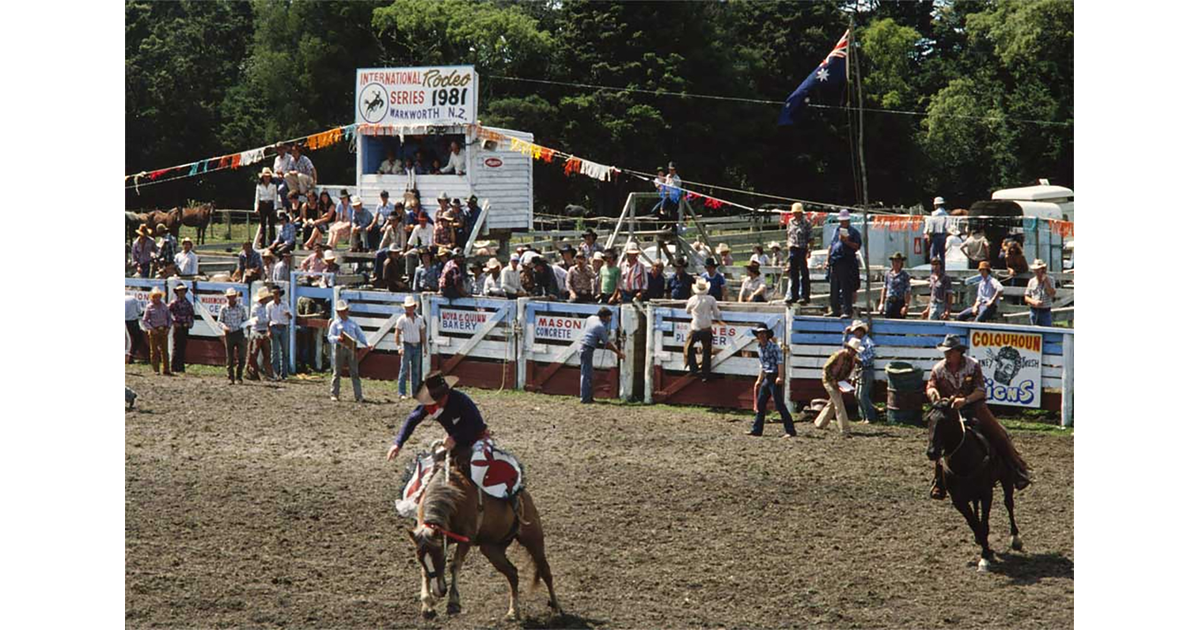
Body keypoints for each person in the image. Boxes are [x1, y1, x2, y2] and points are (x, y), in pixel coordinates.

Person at [926, 334, 1033, 499]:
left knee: (998, 433)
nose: (947, 355)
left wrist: (965, 400)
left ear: (958, 352)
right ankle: (939, 480)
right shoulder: (938, 369)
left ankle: (1016, 469)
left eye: (950, 351)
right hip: (950, 410)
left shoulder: (972, 365)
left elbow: (980, 390)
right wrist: (934, 394)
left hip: (974, 407)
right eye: (946, 352)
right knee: (938, 436)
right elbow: (931, 386)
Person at [385, 372, 489, 464]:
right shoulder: (431, 404)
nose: (438, 404)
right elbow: (413, 419)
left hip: (476, 439)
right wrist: (398, 443)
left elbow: (476, 426)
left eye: (440, 399)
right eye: (435, 400)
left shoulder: (462, 401)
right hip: (453, 443)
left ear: (446, 393)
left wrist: (455, 438)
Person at [746, 323, 796, 438]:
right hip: (767, 377)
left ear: (767, 335)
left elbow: (780, 362)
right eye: (760, 334)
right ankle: (757, 430)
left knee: (779, 404)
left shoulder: (774, 347)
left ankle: (790, 430)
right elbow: (763, 365)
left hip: (774, 376)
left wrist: (780, 376)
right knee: (760, 403)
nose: (762, 336)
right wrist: (759, 380)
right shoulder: (759, 348)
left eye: (764, 333)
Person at [812, 339, 859, 438]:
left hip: (839, 381)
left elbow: (848, 373)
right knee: (838, 403)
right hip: (828, 380)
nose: (853, 353)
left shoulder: (853, 360)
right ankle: (844, 429)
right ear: (848, 348)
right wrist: (833, 380)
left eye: (855, 351)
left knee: (833, 402)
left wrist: (842, 383)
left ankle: (819, 423)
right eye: (852, 350)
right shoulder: (838, 355)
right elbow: (826, 368)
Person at [578, 307, 625, 404]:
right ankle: (585, 398)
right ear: (604, 317)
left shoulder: (591, 318)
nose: (609, 319)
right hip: (587, 348)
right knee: (587, 373)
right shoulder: (600, 327)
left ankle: (586, 397)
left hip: (582, 345)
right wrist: (619, 353)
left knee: (586, 372)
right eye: (608, 317)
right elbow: (607, 343)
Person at [328, 300, 371, 402]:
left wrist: (367, 344)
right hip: (340, 347)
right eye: (340, 311)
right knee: (337, 371)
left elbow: (360, 334)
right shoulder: (335, 324)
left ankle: (358, 395)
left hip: (351, 348)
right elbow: (330, 337)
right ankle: (334, 393)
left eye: (344, 310)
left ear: (347, 311)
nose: (342, 313)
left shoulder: (353, 323)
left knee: (354, 372)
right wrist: (337, 338)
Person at [684, 278, 722, 381]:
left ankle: (693, 368)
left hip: (696, 328)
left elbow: (687, 311)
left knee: (688, 347)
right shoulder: (711, 299)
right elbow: (716, 313)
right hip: (707, 328)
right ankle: (705, 373)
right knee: (707, 351)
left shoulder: (692, 299)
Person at [827, 209, 862, 318]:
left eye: (844, 220)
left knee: (846, 286)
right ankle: (835, 309)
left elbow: (857, 246)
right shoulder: (836, 230)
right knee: (834, 286)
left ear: (848, 220)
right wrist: (828, 259)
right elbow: (832, 245)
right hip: (835, 260)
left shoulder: (854, 232)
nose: (843, 223)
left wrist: (847, 242)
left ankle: (847, 310)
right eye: (841, 221)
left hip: (846, 260)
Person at [843, 320, 879, 424]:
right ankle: (864, 417)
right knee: (857, 394)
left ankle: (870, 417)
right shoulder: (856, 341)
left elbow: (871, 357)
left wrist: (860, 361)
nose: (854, 333)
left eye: (856, 331)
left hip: (866, 370)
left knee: (862, 395)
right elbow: (846, 346)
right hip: (860, 370)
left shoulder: (868, 342)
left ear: (861, 331)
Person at [394, 295, 426, 400]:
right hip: (406, 345)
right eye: (407, 307)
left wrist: (424, 346)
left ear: (414, 307)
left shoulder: (420, 319)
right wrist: (399, 346)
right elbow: (397, 333)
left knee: (416, 370)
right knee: (404, 369)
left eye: (410, 307)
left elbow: (422, 333)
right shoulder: (402, 320)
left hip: (417, 345)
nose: (409, 309)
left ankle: (415, 392)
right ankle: (401, 392)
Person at [218, 287, 248, 384]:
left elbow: (245, 320)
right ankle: (231, 377)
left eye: (233, 296)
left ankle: (239, 376)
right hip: (229, 333)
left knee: (241, 356)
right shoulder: (224, 309)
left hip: (239, 332)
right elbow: (219, 321)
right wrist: (224, 327)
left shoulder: (241, 308)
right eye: (230, 297)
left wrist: (245, 326)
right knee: (230, 356)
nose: (231, 298)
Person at [245, 287, 275, 382]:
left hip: (263, 331)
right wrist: (266, 320)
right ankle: (253, 372)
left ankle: (268, 374)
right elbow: (258, 320)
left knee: (266, 354)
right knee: (254, 354)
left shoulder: (266, 307)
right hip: (257, 332)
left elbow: (264, 319)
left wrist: (265, 321)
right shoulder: (256, 308)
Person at [141, 287, 173, 376]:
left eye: (159, 296)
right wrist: (151, 329)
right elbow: (145, 320)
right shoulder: (149, 307)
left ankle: (166, 369)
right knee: (154, 351)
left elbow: (169, 318)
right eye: (155, 297)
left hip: (163, 330)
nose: (157, 298)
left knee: (165, 350)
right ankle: (156, 369)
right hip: (154, 330)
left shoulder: (165, 306)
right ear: (152, 297)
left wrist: (168, 328)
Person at [168, 284, 195, 374]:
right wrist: (174, 322)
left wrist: (189, 323)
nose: (181, 293)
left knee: (183, 346)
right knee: (176, 346)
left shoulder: (188, 303)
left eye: (183, 291)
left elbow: (191, 314)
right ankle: (174, 366)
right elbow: (168, 314)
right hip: (178, 326)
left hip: (185, 326)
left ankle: (181, 366)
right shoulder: (174, 303)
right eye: (180, 292)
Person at [266, 285, 291, 380]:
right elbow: (268, 319)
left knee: (284, 351)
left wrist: (288, 314)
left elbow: (291, 316)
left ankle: (284, 374)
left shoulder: (285, 304)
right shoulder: (269, 306)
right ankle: (275, 373)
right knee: (275, 352)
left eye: (277, 294)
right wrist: (269, 330)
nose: (276, 295)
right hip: (274, 327)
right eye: (274, 294)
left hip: (283, 327)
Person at [1024, 259, 1056, 326]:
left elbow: (1052, 294)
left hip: (1045, 312)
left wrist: (1046, 282)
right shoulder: (1031, 281)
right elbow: (1026, 297)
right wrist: (1034, 302)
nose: (1039, 271)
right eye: (1037, 270)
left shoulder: (1051, 280)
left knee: (1046, 331)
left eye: (1041, 269)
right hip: (1034, 311)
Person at [879, 252, 911, 319]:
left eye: (898, 262)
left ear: (901, 263)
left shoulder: (905, 275)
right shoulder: (888, 274)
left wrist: (906, 306)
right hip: (889, 301)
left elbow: (907, 290)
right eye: (894, 261)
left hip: (899, 302)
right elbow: (884, 288)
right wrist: (881, 303)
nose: (895, 264)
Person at [254, 167, 279, 246]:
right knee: (263, 225)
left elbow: (275, 197)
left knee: (272, 224)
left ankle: (272, 242)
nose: (266, 178)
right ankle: (262, 242)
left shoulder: (273, 185)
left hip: (270, 204)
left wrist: (275, 208)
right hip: (262, 204)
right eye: (265, 176)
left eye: (268, 176)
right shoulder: (259, 186)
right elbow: (257, 197)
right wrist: (256, 208)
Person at [405, 212, 435, 278]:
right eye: (421, 221)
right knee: (408, 255)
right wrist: (407, 251)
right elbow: (411, 241)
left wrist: (426, 249)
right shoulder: (417, 228)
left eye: (423, 221)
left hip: (428, 248)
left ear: (426, 220)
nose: (422, 223)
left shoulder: (430, 227)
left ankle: (421, 276)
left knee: (423, 255)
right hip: (418, 247)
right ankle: (409, 275)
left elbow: (431, 243)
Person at [924, 196, 950, 263]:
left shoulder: (935, 214)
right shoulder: (946, 213)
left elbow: (931, 226)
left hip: (936, 235)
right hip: (943, 235)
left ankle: (934, 270)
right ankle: (942, 270)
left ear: (936, 204)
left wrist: (929, 235)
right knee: (942, 254)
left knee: (933, 254)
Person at [125, 292, 145, 363]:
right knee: (136, 339)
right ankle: (130, 356)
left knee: (127, 340)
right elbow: (139, 311)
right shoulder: (134, 299)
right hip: (132, 321)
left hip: (127, 320)